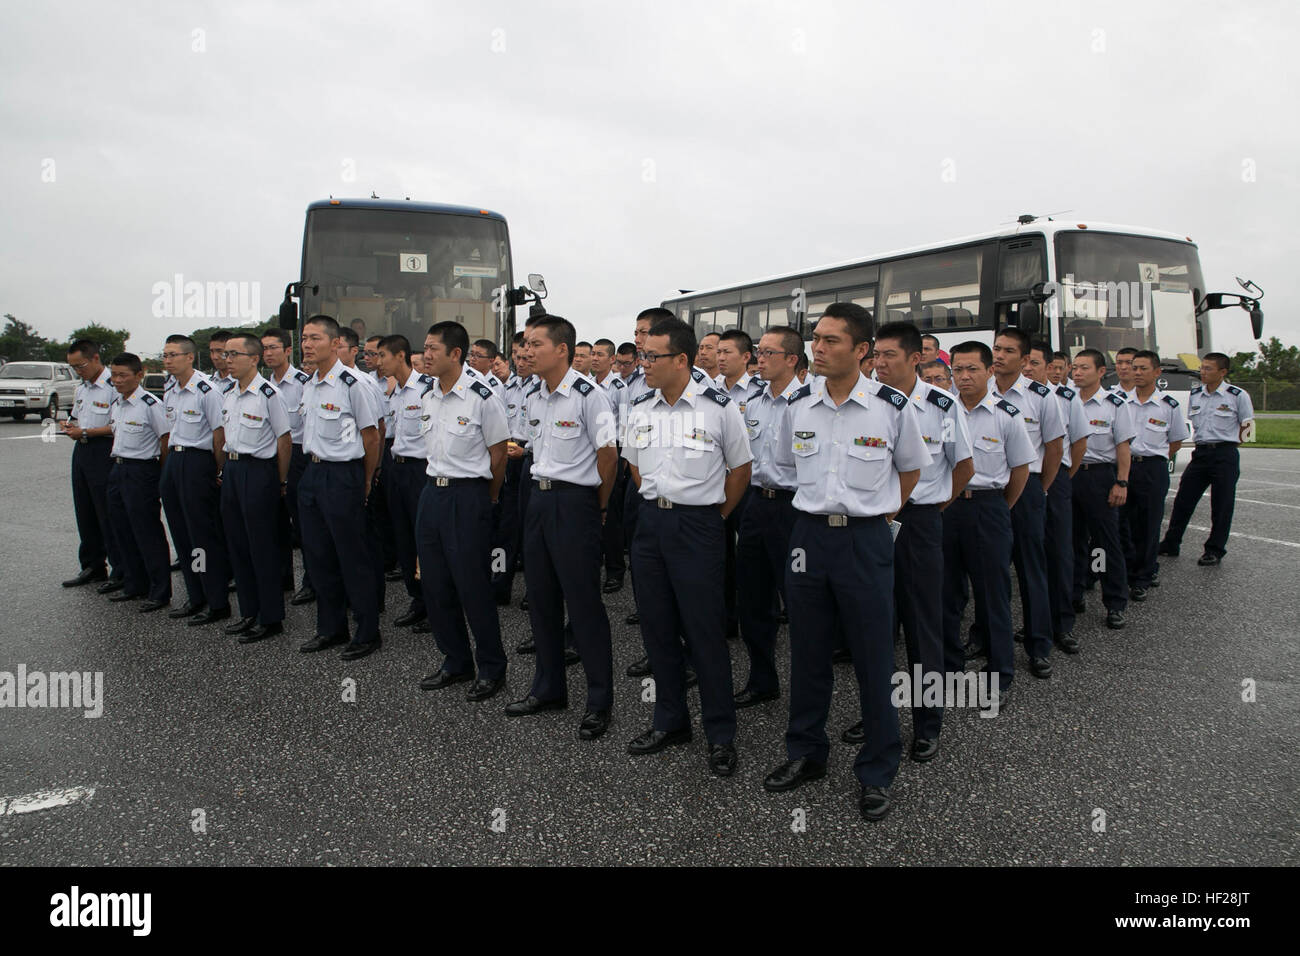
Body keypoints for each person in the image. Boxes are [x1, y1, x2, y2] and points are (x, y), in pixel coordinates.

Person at [762, 302, 927, 822]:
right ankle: (805, 753)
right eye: (817, 338)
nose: (819, 347)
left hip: (865, 541)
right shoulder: (800, 406)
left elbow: (910, 471)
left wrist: (877, 520)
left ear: (861, 350)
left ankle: (877, 770)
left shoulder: (890, 407)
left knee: (874, 660)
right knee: (808, 654)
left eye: (832, 340)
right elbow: (789, 467)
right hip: (809, 536)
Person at [623, 317, 752, 776]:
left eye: (652, 357)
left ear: (681, 359)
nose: (644, 364)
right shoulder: (641, 407)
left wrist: (709, 517)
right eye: (642, 356)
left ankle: (721, 733)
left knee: (704, 634)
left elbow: (740, 471)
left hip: (699, 526)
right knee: (657, 629)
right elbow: (635, 465)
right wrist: (662, 503)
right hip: (651, 525)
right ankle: (671, 720)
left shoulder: (718, 408)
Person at [852, 321, 973, 755]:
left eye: (889, 356)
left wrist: (933, 509)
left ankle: (927, 722)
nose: (879, 364)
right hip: (870, 523)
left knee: (924, 625)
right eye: (876, 356)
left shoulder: (942, 405)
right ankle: (876, 715)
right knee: (875, 626)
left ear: (915, 357)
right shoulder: (865, 400)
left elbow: (963, 467)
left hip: (919, 522)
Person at [505, 315, 619, 738]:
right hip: (538, 496)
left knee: (584, 604)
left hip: (575, 504)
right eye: (526, 344)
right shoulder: (535, 396)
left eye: (536, 344)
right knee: (540, 599)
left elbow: (608, 455)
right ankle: (548, 687)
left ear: (562, 350)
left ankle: (599, 700)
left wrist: (598, 507)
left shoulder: (591, 397)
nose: (527, 351)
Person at [415, 321, 511, 701]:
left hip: (468, 496)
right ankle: (455, 661)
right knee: (436, 585)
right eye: (425, 348)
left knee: (472, 587)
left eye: (433, 349)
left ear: (455, 353)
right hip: (431, 494)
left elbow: (499, 453)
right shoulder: (428, 395)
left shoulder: (482, 396)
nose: (426, 355)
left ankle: (491, 667)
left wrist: (485, 499)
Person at [942, 341, 1034, 708]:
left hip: (988, 507)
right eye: (958, 370)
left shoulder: (1005, 414)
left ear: (989, 371)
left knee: (992, 594)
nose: (964, 376)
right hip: (947, 509)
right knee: (945, 594)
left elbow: (1021, 469)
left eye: (972, 369)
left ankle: (999, 674)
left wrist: (999, 507)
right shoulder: (939, 410)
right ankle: (947, 668)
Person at [296, 315, 385, 660]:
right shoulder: (310, 383)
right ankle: (330, 628)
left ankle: (367, 632)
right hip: (314, 474)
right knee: (318, 557)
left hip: (343, 475)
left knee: (352, 557)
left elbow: (372, 436)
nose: (307, 344)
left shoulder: (353, 384)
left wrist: (365, 480)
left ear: (336, 344)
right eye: (304, 338)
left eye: (315, 338)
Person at [981, 326, 1064, 678]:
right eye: (996, 348)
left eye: (1008, 351)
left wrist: (1039, 488)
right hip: (987, 490)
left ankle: (1038, 643)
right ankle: (982, 638)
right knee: (987, 571)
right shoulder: (973, 389)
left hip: (1027, 486)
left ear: (1025, 359)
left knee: (1030, 567)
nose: (999, 355)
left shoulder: (1040, 396)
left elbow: (1055, 448)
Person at [734, 325, 804, 708]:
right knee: (754, 598)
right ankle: (763, 679)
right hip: (757, 504)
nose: (759, 359)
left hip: (795, 509)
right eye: (758, 352)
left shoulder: (809, 403)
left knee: (801, 600)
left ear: (791, 360)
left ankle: (808, 689)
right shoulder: (754, 402)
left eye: (768, 353)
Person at [220, 334, 292, 642]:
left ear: (254, 358)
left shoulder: (268, 393)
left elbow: (284, 439)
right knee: (238, 545)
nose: (228, 359)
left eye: (234, 354)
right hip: (233, 469)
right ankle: (248, 611)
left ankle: (270, 617)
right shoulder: (229, 393)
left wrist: (279, 480)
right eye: (226, 354)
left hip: (258, 471)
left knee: (261, 546)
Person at [158, 334, 232, 625]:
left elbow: (219, 434)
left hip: (197, 462)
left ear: (190, 357)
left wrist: (217, 470)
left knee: (202, 535)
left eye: (173, 355)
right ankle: (195, 595)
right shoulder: (171, 390)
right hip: (175, 462)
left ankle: (216, 601)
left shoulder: (207, 390)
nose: (167, 361)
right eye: (164, 355)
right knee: (182, 534)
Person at [1159, 352, 1253, 566]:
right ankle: (1171, 542)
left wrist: (1228, 445)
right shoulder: (1197, 394)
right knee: (1183, 499)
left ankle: (1214, 549)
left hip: (1224, 454)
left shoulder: (1237, 395)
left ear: (1223, 372)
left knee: (1221, 505)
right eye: (1202, 368)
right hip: (1201, 453)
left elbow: (1248, 429)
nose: (1203, 372)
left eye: (1208, 369)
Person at [1025, 341, 1088, 654]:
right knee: (1023, 557)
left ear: (1048, 366)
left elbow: (1077, 444)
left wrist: (1054, 481)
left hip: (1051, 478)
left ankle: (1061, 625)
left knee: (1058, 552)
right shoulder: (1003, 394)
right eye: (1026, 362)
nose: (1028, 368)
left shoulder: (1064, 397)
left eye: (1035, 363)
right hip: (1016, 482)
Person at [1069, 348, 1136, 630]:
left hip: (1099, 477)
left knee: (1105, 543)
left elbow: (1123, 446)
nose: (1078, 372)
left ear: (1100, 372)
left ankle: (1115, 602)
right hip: (1070, 476)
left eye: (1084, 367)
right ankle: (1075, 592)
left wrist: (1121, 482)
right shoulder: (1064, 399)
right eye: (1075, 367)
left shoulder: (1114, 404)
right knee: (1071, 540)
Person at [104, 353, 172, 612]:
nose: (117, 380)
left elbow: (164, 438)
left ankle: (159, 590)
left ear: (139, 375)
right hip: (118, 469)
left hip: (142, 471)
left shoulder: (149, 404)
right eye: (114, 375)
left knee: (147, 531)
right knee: (122, 529)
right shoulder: (118, 403)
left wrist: (161, 474)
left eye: (123, 375)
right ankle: (134, 584)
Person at [1123, 349, 1188, 598]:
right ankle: (1125, 570)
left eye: (1143, 368)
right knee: (1122, 523)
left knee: (1149, 525)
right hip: (1125, 466)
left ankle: (1143, 577)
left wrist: (1154, 457)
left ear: (1157, 372)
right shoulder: (1120, 400)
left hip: (1152, 468)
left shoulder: (1168, 405)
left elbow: (1175, 442)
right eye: (1134, 367)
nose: (1137, 372)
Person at [377, 334, 431, 629]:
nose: (378, 362)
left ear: (401, 356)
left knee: (424, 538)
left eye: (382, 355)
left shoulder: (425, 389)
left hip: (420, 470)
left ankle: (435, 603)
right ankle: (417, 599)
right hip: (396, 468)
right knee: (403, 537)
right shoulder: (393, 393)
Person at [60, 340, 123, 590]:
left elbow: (118, 424)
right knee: (84, 508)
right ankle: (93, 565)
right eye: (73, 367)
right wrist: (70, 426)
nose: (78, 371)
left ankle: (120, 568)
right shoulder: (82, 388)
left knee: (107, 511)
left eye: (81, 365)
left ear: (96, 358)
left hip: (104, 449)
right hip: (82, 449)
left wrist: (86, 430)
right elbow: (75, 416)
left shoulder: (113, 385)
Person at [263, 328, 312, 601]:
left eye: (273, 348)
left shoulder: (304, 382)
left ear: (288, 350)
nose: (268, 353)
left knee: (303, 522)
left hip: (299, 456)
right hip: (273, 454)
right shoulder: (265, 385)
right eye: (265, 349)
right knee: (277, 521)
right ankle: (283, 578)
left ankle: (311, 580)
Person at [715, 329, 758, 641]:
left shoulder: (758, 391)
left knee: (753, 559)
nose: (720, 357)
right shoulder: (707, 389)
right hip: (716, 483)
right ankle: (726, 619)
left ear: (745, 357)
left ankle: (757, 617)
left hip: (748, 484)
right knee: (721, 556)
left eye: (727, 352)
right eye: (718, 352)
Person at [591, 337, 628, 593]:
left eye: (600, 354)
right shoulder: (589, 385)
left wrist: (623, 463)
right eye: (593, 353)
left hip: (612, 452)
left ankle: (615, 571)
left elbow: (624, 426)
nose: (595, 358)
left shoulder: (618, 387)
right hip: (592, 455)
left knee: (611, 517)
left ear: (611, 359)